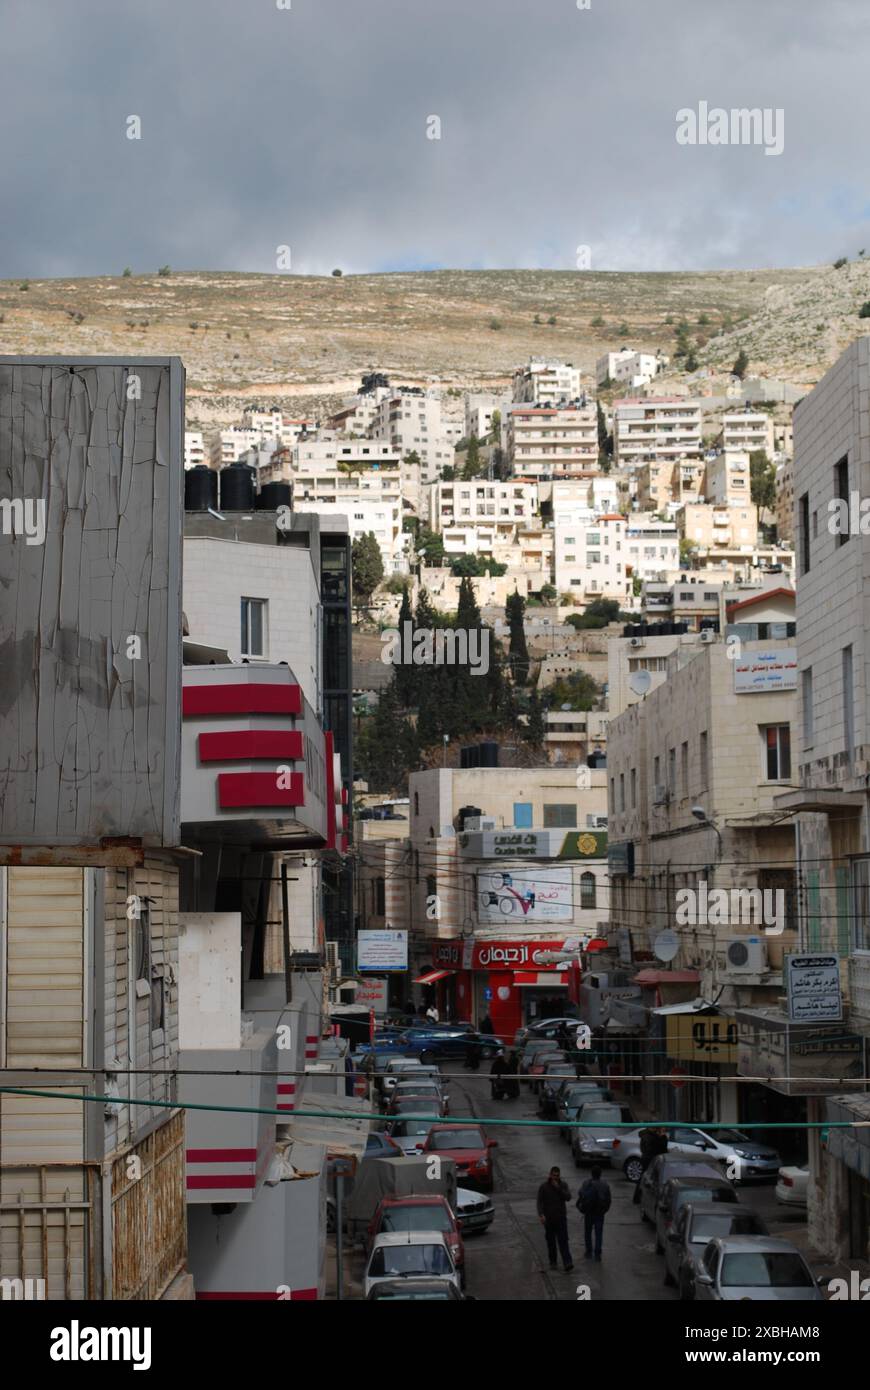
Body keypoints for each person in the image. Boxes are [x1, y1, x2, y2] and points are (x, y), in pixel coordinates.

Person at [536, 1166, 574, 1272]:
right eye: (554, 1175)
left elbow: (568, 1197)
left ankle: (567, 1262)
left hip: (561, 1218)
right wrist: (541, 1214)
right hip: (549, 1220)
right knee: (551, 1242)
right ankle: (553, 1262)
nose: (555, 1178)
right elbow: (539, 1202)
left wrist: (558, 1188)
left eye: (557, 1176)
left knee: (563, 1241)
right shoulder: (544, 1187)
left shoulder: (563, 1185)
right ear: (550, 1175)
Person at [577, 1164, 611, 1262]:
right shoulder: (605, 1185)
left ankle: (588, 1252)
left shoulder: (586, 1183)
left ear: (591, 1173)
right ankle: (597, 1254)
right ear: (600, 1174)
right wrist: (604, 1210)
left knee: (587, 1232)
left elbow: (581, 1194)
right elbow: (608, 1200)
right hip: (600, 1213)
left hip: (589, 1212)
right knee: (599, 1233)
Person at [632, 1124, 668, 1205]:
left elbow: (646, 1148)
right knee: (650, 1178)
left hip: (647, 1158)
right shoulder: (651, 1136)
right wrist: (662, 1137)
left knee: (644, 1178)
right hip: (650, 1159)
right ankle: (640, 1197)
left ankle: (638, 1197)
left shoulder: (646, 1135)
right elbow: (661, 1148)